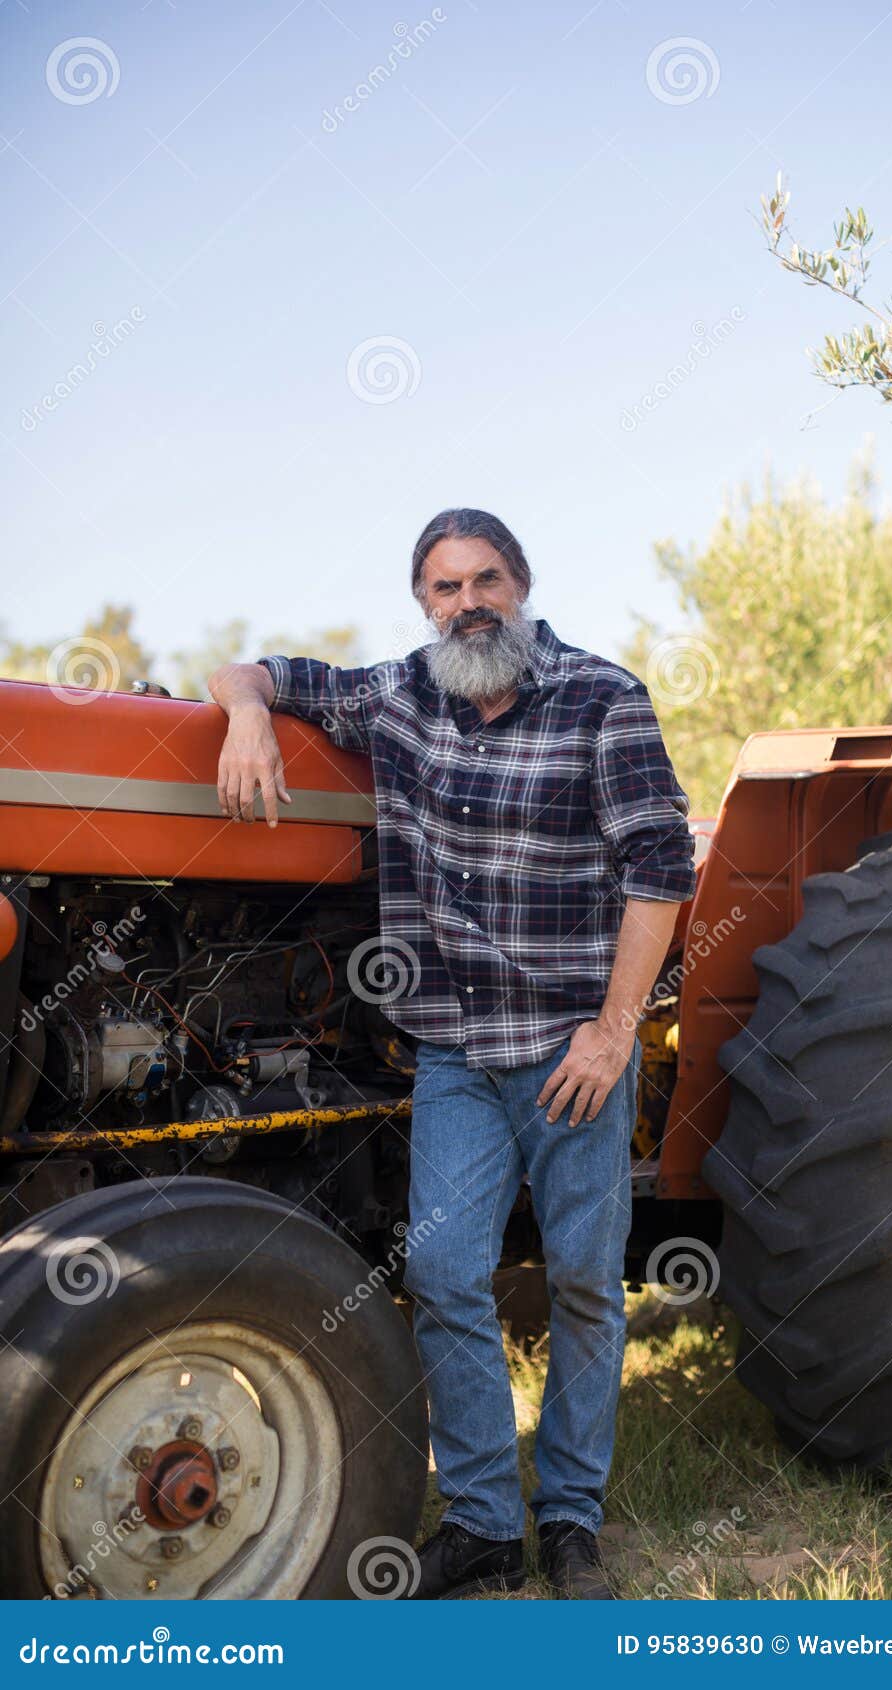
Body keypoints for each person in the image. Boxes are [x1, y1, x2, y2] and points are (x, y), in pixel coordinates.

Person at [209, 509, 697, 1599]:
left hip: (574, 1049)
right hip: (455, 1055)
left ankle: (569, 1517)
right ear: (422, 603)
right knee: (438, 1273)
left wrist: (614, 1028)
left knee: (579, 1282)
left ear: (520, 586)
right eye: (441, 586)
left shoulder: (601, 699)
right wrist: (246, 716)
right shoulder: (397, 693)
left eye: (484, 580)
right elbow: (251, 669)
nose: (464, 601)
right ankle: (480, 1516)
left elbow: (659, 871)